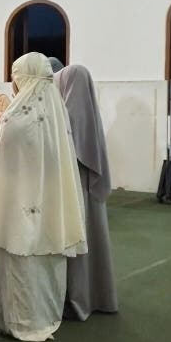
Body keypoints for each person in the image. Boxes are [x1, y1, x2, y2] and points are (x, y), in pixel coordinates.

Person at [0, 52, 86, 342]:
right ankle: (43, 315)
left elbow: (0, 161)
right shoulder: (56, 113)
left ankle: (18, 321)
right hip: (48, 205)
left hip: (15, 207)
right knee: (44, 262)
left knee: (19, 264)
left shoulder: (16, 119)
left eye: (16, 77)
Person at [55, 64, 118, 320]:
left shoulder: (68, 116)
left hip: (77, 189)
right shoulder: (90, 113)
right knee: (94, 240)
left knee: (78, 239)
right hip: (89, 192)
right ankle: (99, 297)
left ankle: (77, 299)